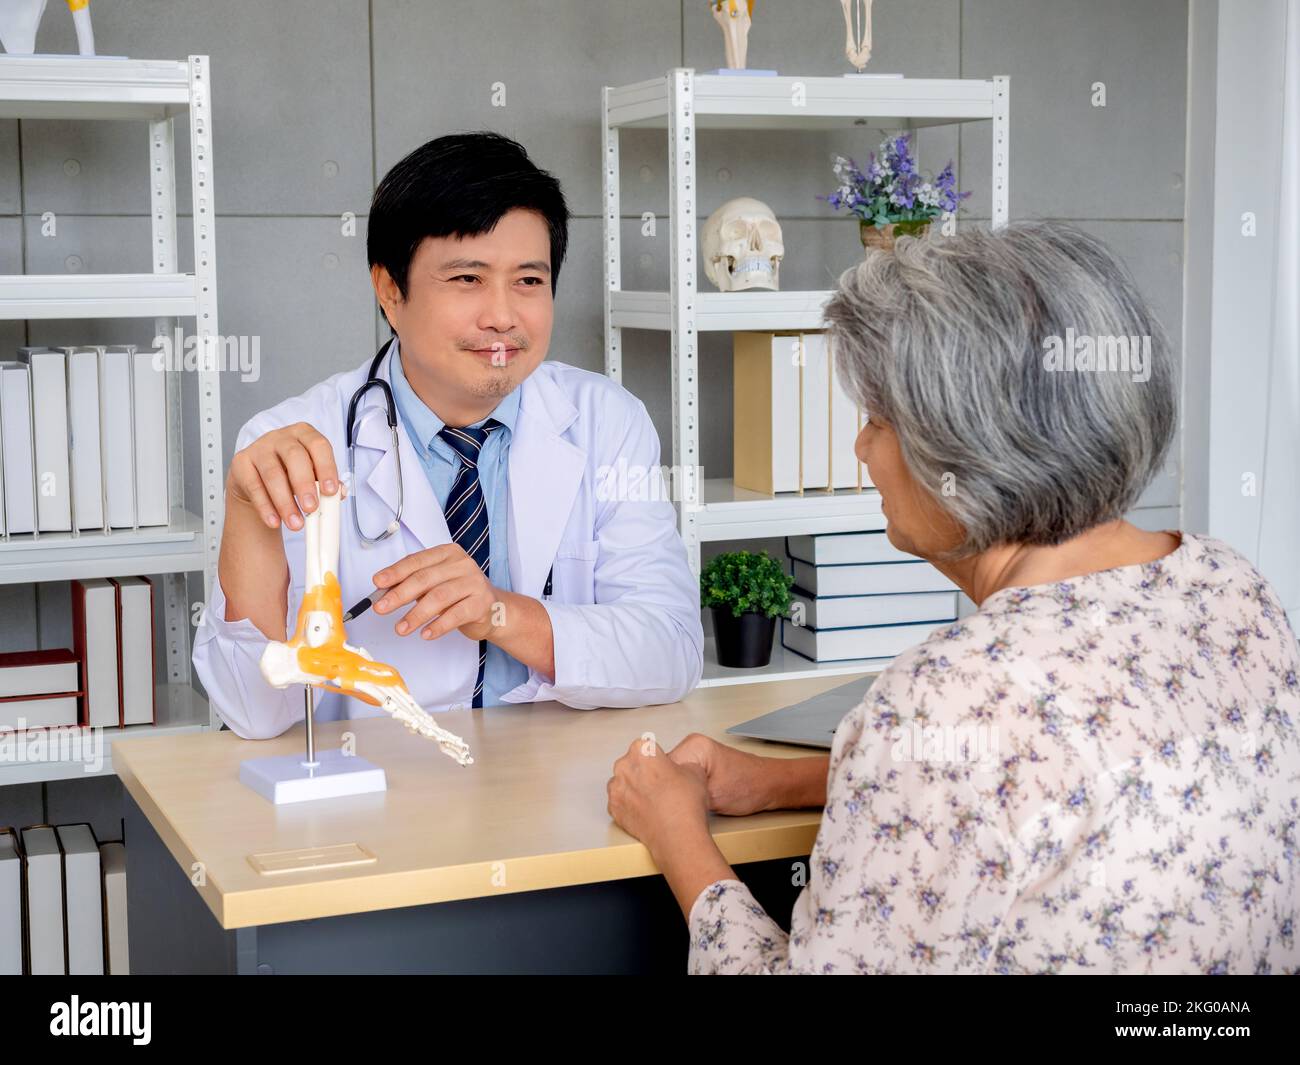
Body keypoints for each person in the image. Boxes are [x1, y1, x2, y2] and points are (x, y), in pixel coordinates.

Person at [607, 220, 1300, 974]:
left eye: (878, 420)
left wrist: (679, 837)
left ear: (962, 443)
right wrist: (782, 780)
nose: (861, 450)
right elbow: (1056, 778)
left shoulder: (950, 693)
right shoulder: (1232, 588)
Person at [194, 131, 702, 738]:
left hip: (561, 794)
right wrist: (247, 516)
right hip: (381, 798)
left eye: (529, 281)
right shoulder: (293, 444)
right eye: (467, 279)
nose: (503, 315)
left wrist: (500, 613)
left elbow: (670, 651)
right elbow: (252, 712)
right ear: (389, 290)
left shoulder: (606, 421)